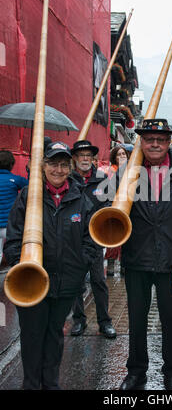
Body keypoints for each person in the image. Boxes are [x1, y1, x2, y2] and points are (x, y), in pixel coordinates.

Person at [4, 141, 97, 390]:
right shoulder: (28, 195)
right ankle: (31, 385)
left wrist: (80, 267)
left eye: (64, 164)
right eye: (53, 163)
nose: (58, 169)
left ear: (70, 167)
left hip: (66, 282)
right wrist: (21, 267)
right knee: (32, 337)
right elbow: (13, 237)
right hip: (31, 283)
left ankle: (51, 384)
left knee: (55, 335)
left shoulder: (80, 198)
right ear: (43, 166)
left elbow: (91, 240)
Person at [119, 119, 172, 391]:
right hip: (136, 258)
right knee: (137, 320)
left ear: (169, 142)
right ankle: (136, 372)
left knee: (171, 320)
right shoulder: (126, 171)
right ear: (141, 142)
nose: (155, 144)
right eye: (149, 138)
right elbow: (108, 207)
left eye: (161, 139)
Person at [70, 140, 116, 339]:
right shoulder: (69, 179)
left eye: (89, 155)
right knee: (76, 283)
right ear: (75, 158)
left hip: (95, 238)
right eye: (82, 155)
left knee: (98, 281)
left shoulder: (102, 178)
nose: (85, 159)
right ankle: (79, 321)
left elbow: (110, 202)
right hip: (72, 239)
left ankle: (104, 322)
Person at [104, 145, 130, 276]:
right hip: (113, 208)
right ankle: (111, 265)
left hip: (128, 209)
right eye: (119, 154)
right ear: (114, 157)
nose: (122, 157)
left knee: (127, 240)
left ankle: (125, 266)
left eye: (124, 154)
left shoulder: (132, 170)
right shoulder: (110, 171)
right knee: (113, 238)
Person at [0, 150, 28, 265]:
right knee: (14, 252)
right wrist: (30, 169)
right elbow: (32, 185)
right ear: (12, 165)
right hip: (9, 226)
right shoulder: (16, 179)